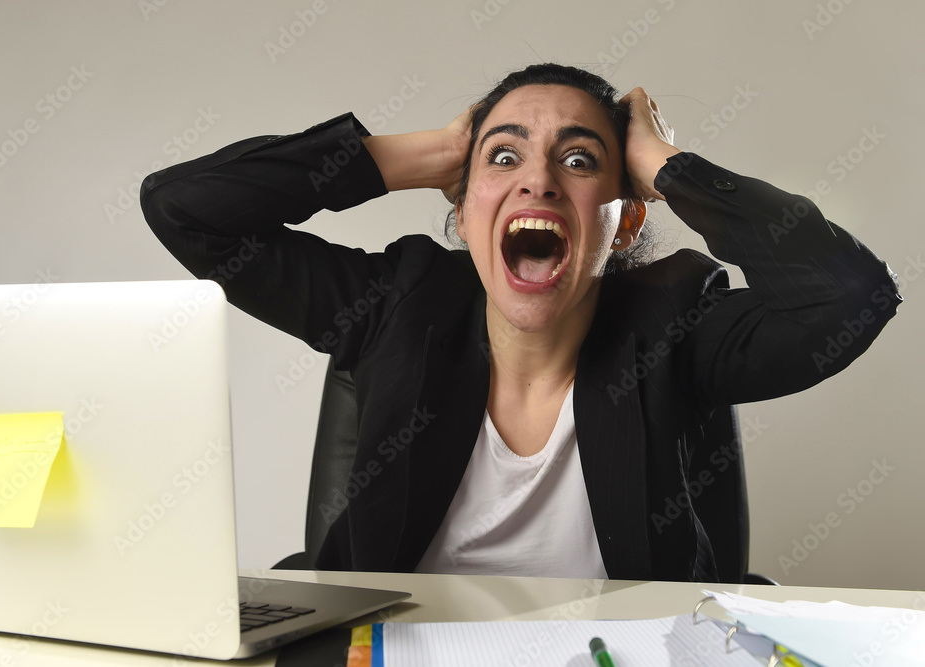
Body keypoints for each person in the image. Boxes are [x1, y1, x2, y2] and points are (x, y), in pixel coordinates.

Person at [141, 64, 899, 582]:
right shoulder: (396, 301)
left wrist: (664, 162)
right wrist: (431, 151)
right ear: (464, 214)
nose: (537, 177)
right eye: (503, 158)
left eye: (579, 160)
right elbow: (185, 208)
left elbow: (851, 295)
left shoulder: (676, 322)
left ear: (624, 219)